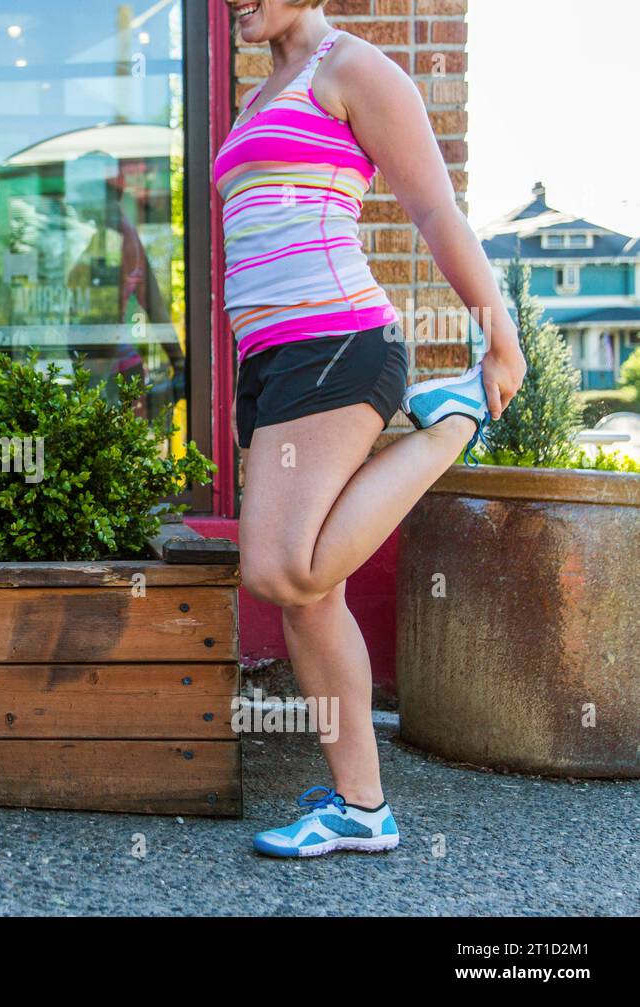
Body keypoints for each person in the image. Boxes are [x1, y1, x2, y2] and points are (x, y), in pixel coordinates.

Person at [216, 0, 526, 856]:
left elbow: (432, 209)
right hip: (269, 361)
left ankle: (448, 423)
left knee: (278, 568)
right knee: (313, 597)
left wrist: (495, 327)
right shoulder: (257, 94)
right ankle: (361, 807)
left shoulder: (350, 68)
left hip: (336, 339)